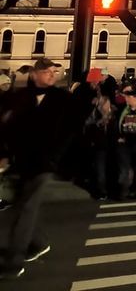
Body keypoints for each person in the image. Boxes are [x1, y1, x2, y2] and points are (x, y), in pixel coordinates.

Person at [0, 59, 75, 280]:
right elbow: (8, 126)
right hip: (22, 161)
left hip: (44, 163)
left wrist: (55, 157)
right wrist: (5, 154)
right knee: (22, 206)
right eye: (46, 71)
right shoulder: (22, 97)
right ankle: (38, 242)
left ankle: (13, 263)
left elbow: (68, 131)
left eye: (54, 71)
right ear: (34, 74)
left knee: (25, 209)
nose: (51, 75)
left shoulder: (61, 99)